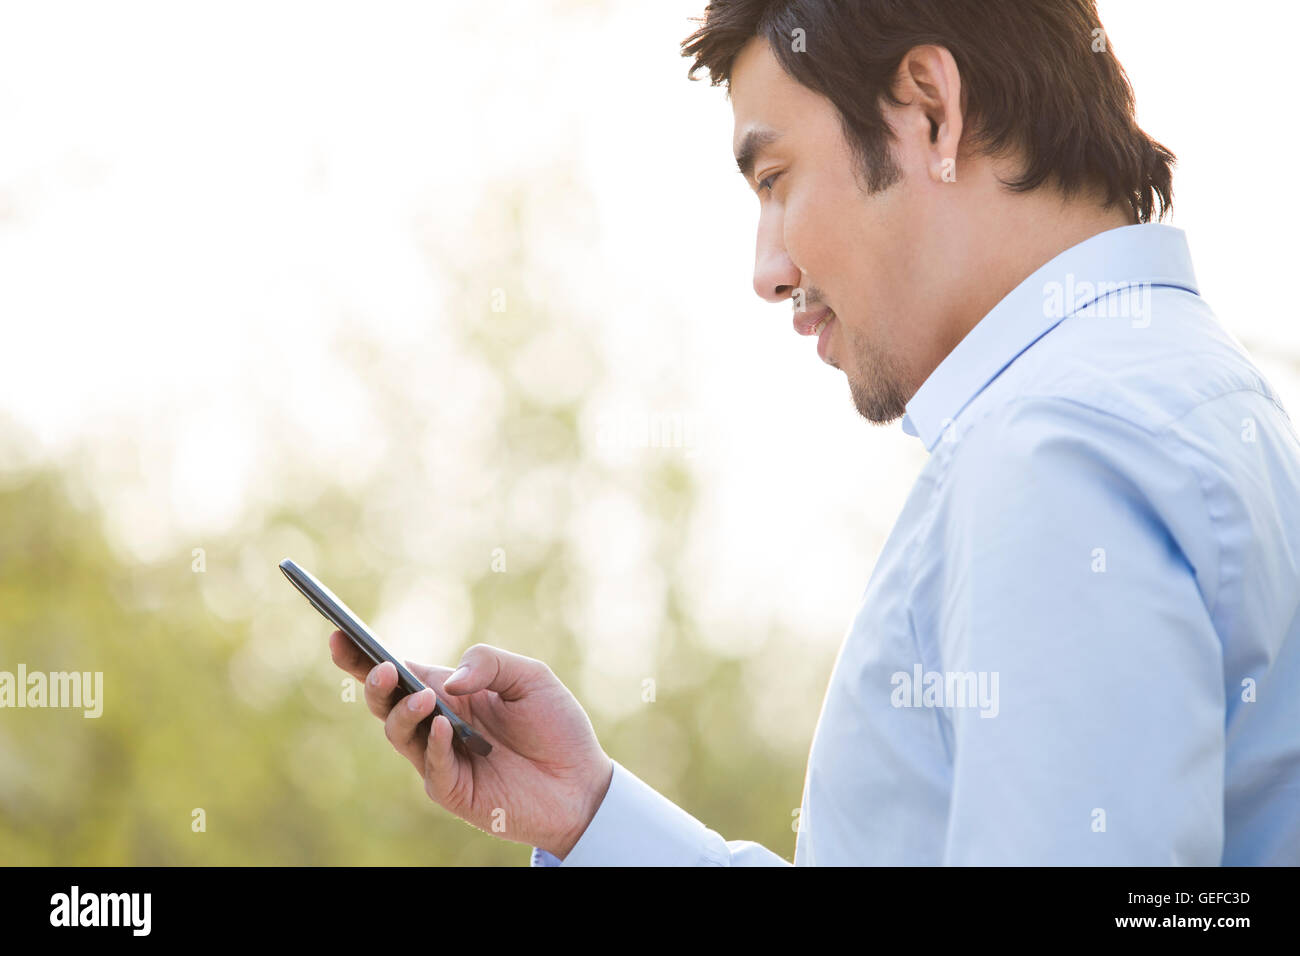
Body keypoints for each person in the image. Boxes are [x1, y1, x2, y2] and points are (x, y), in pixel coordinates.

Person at [329, 0, 1300, 864]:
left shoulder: (1057, 452)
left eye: (776, 177)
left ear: (929, 110)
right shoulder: (1194, 399)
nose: (768, 270)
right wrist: (587, 816)